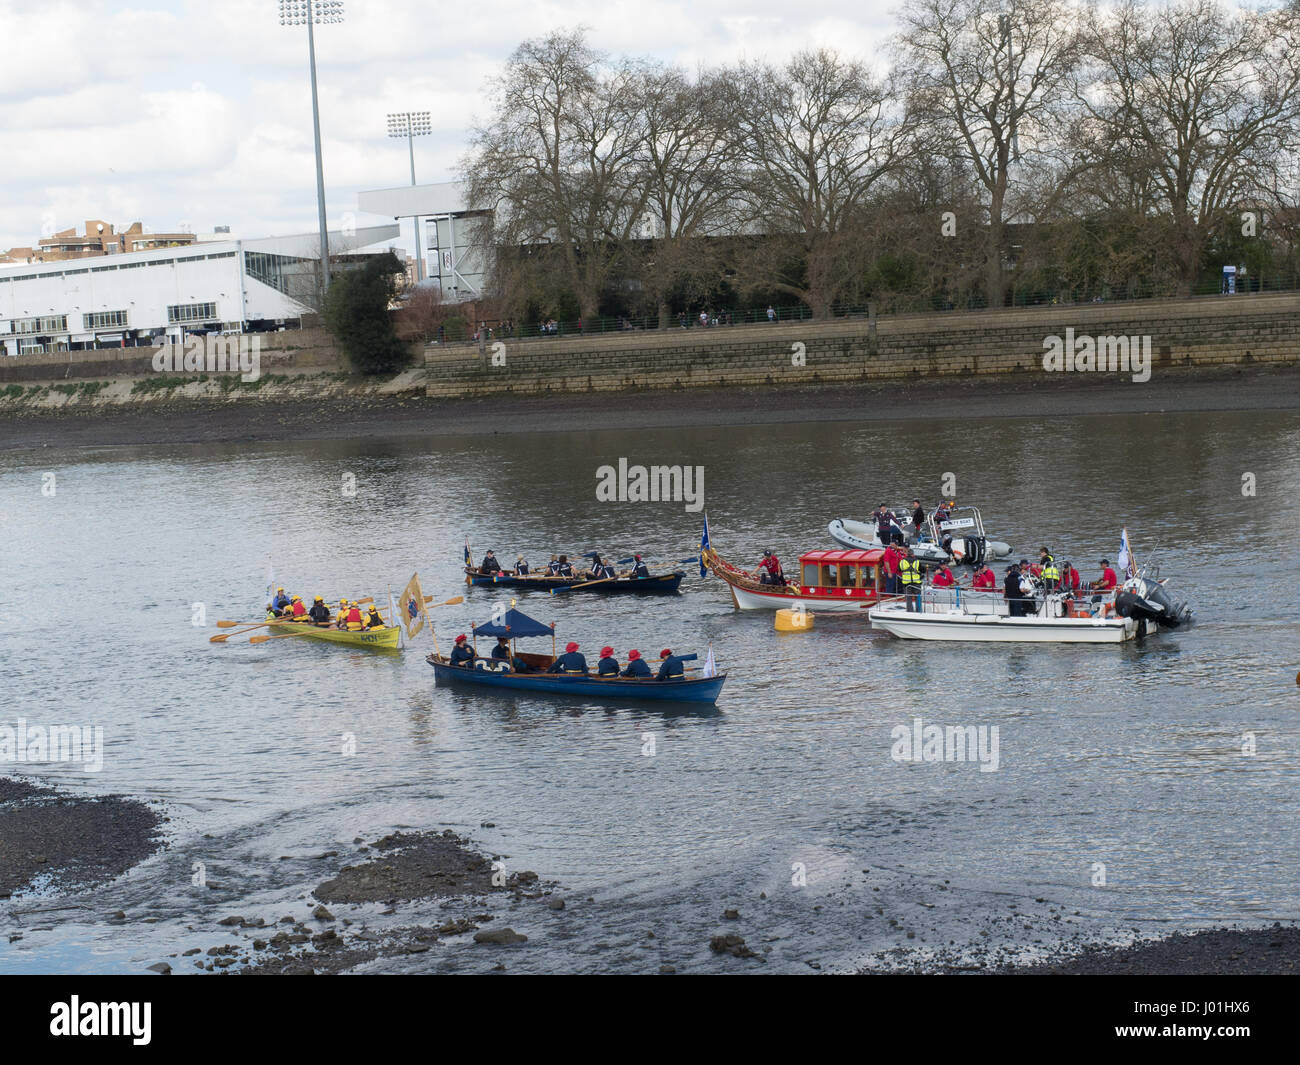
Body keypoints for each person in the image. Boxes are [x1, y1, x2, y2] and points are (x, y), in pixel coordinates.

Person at [899, 547, 923, 611]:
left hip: (906, 584)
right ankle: (919, 611)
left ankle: (910, 611)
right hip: (916, 583)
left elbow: (899, 569)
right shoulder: (917, 562)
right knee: (918, 597)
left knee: (908, 598)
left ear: (907, 554)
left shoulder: (902, 562)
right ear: (913, 554)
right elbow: (923, 570)